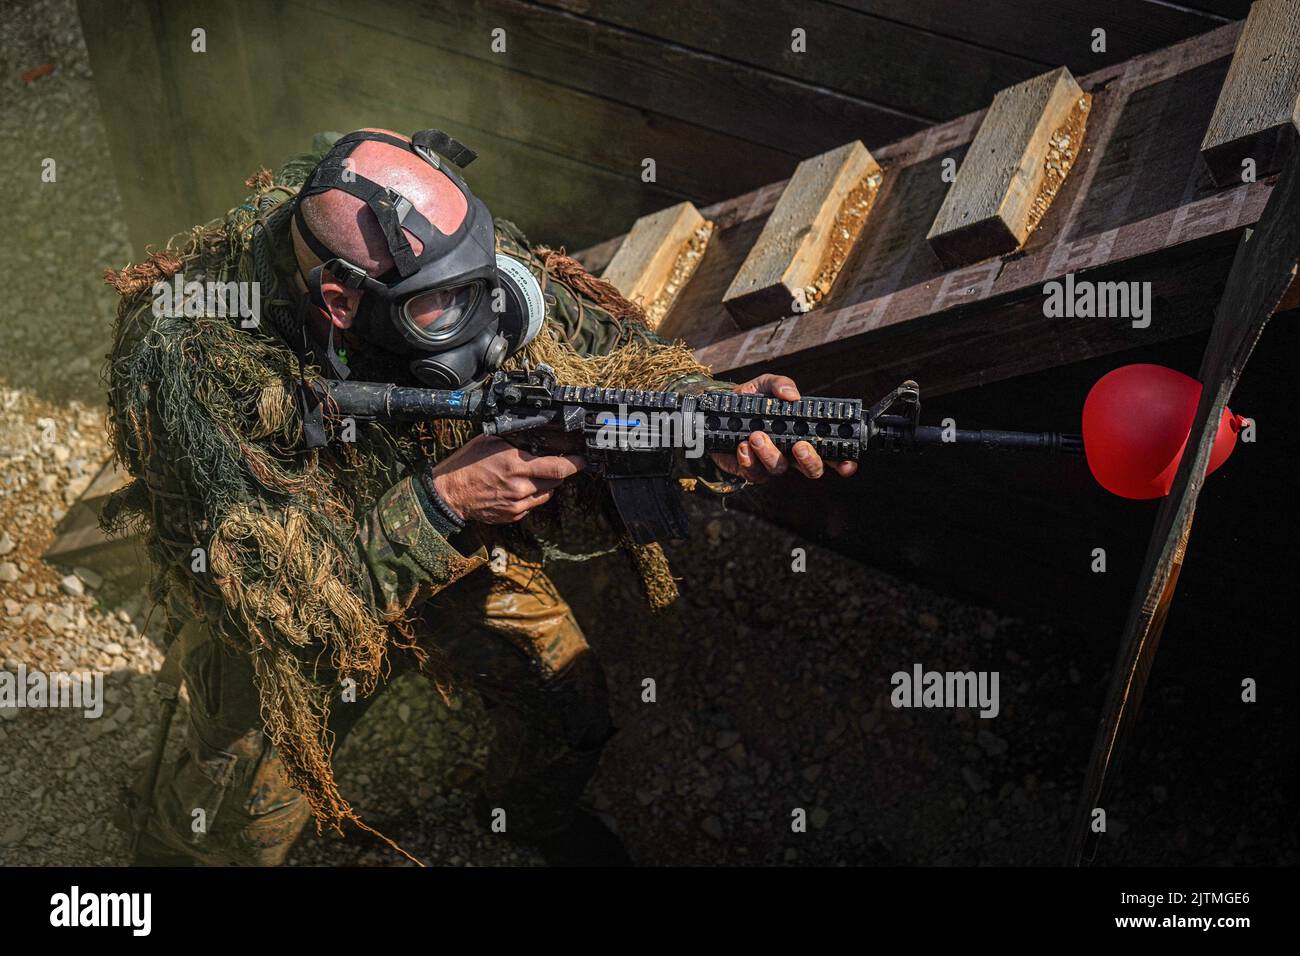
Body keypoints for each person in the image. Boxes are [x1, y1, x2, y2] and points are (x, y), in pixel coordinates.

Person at [105, 128, 855, 866]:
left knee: (568, 706)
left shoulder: (446, 241)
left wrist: (708, 416)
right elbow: (279, 608)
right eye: (443, 307)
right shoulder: (194, 363)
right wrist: (447, 500)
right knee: (241, 821)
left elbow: (608, 361)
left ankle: (521, 816)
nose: (488, 319)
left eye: (483, 278)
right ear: (340, 298)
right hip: (293, 600)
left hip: (443, 539)